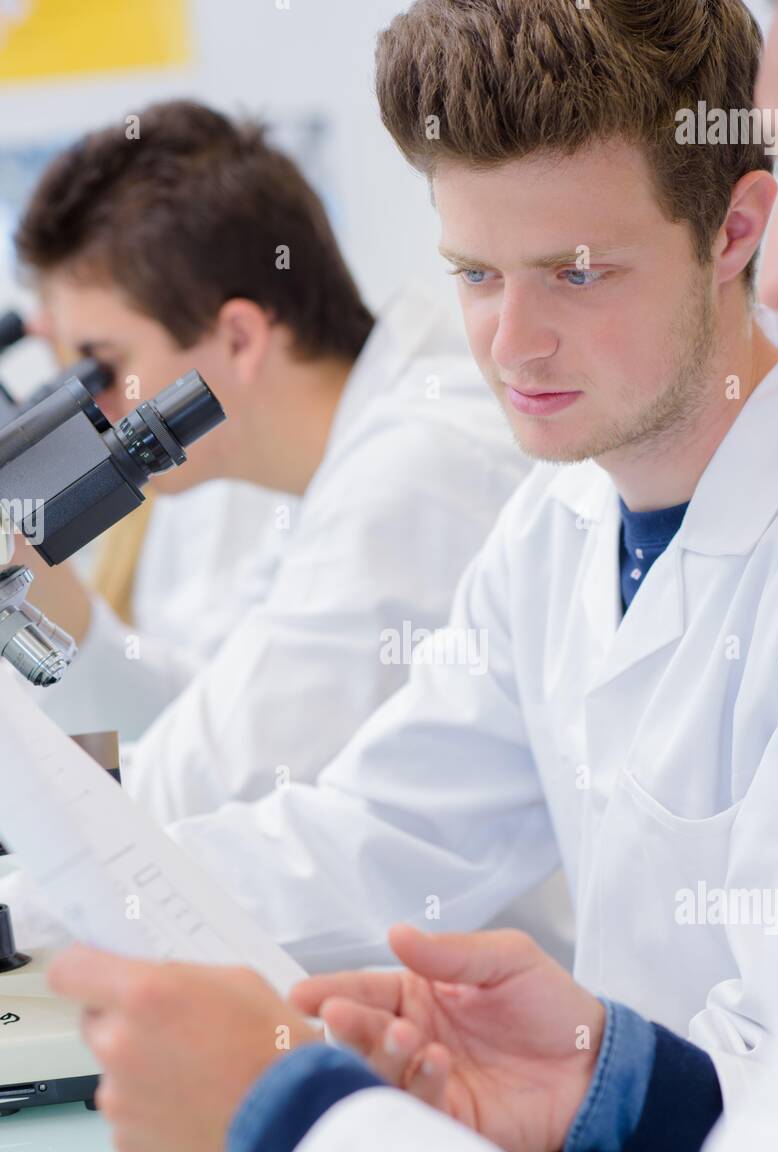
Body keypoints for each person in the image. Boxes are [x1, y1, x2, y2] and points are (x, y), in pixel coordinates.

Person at [47, 0, 778, 1152]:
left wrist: (288, 1117)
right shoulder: (554, 517)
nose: (510, 342)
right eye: (475, 275)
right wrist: (50, 885)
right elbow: (369, 832)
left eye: (576, 273)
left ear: (738, 231)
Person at [14, 99, 531, 818]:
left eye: (104, 366)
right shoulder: (321, 470)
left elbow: (209, 783)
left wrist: (31, 804)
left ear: (238, 338)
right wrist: (44, 588)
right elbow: (212, 712)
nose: (92, 407)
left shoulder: (417, 470)